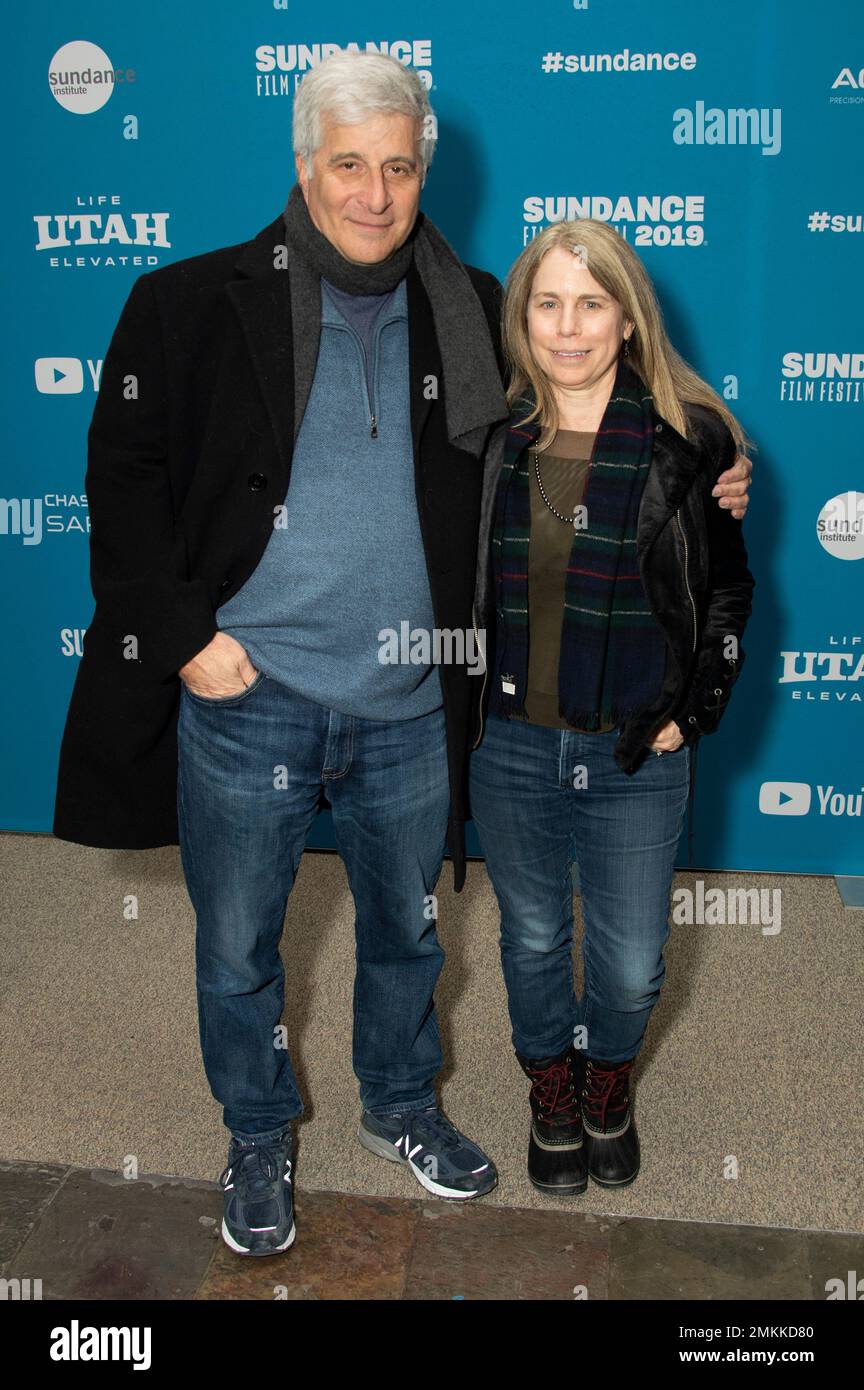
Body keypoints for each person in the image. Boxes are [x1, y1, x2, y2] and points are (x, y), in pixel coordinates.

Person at [52, 51, 752, 1256]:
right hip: (249, 691)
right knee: (239, 943)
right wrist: (185, 644)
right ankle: (259, 1128)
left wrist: (712, 464)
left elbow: (597, 393)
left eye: (398, 165)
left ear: (425, 167)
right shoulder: (185, 303)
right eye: (348, 165)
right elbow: (122, 484)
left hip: (416, 699)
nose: (375, 195)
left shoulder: (479, 308)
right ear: (303, 165)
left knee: (406, 933)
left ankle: (399, 1103)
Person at [469, 220, 755, 1197]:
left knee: (629, 964)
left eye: (591, 303)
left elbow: (727, 595)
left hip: (639, 746)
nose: (568, 325)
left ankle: (610, 1084)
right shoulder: (487, 442)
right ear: (521, 318)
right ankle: (554, 1088)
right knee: (534, 938)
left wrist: (693, 708)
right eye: (547, 302)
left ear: (628, 319)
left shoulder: (693, 442)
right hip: (511, 746)